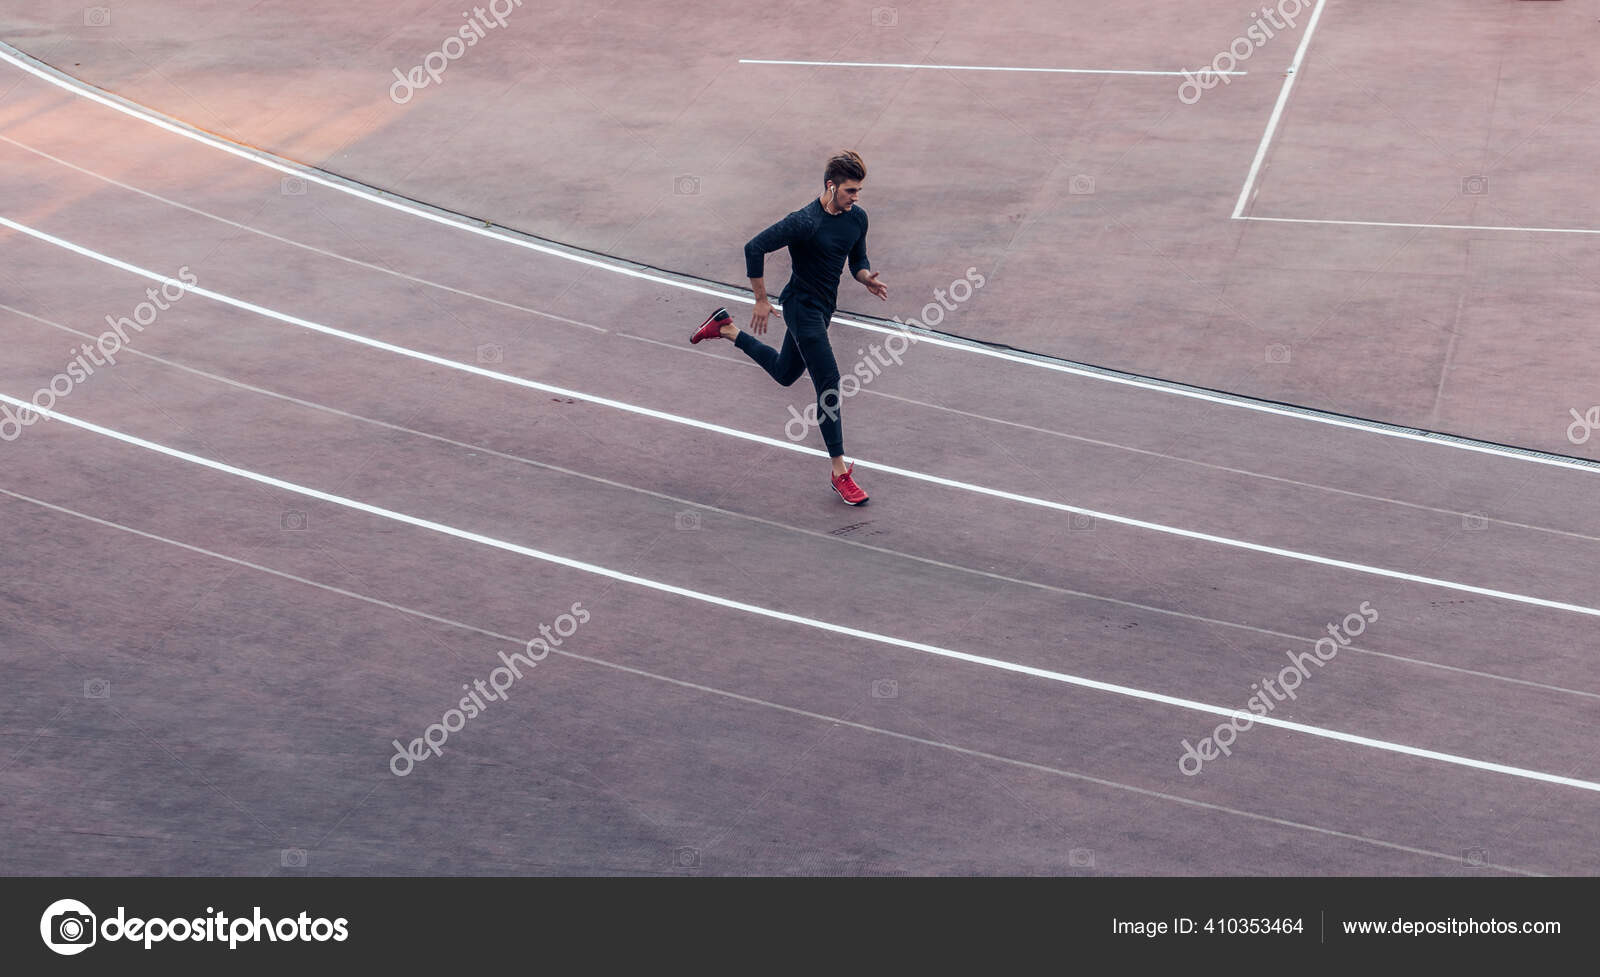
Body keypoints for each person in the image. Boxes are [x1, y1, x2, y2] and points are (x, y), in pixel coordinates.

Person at [690, 150, 887, 505]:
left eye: (858, 192)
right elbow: (755, 247)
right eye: (850, 191)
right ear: (831, 186)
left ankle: (726, 328)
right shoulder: (804, 222)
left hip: (825, 309)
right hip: (800, 307)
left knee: (785, 373)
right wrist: (762, 299)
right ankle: (839, 472)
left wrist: (864, 277)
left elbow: (857, 258)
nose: (856, 198)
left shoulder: (857, 218)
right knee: (829, 382)